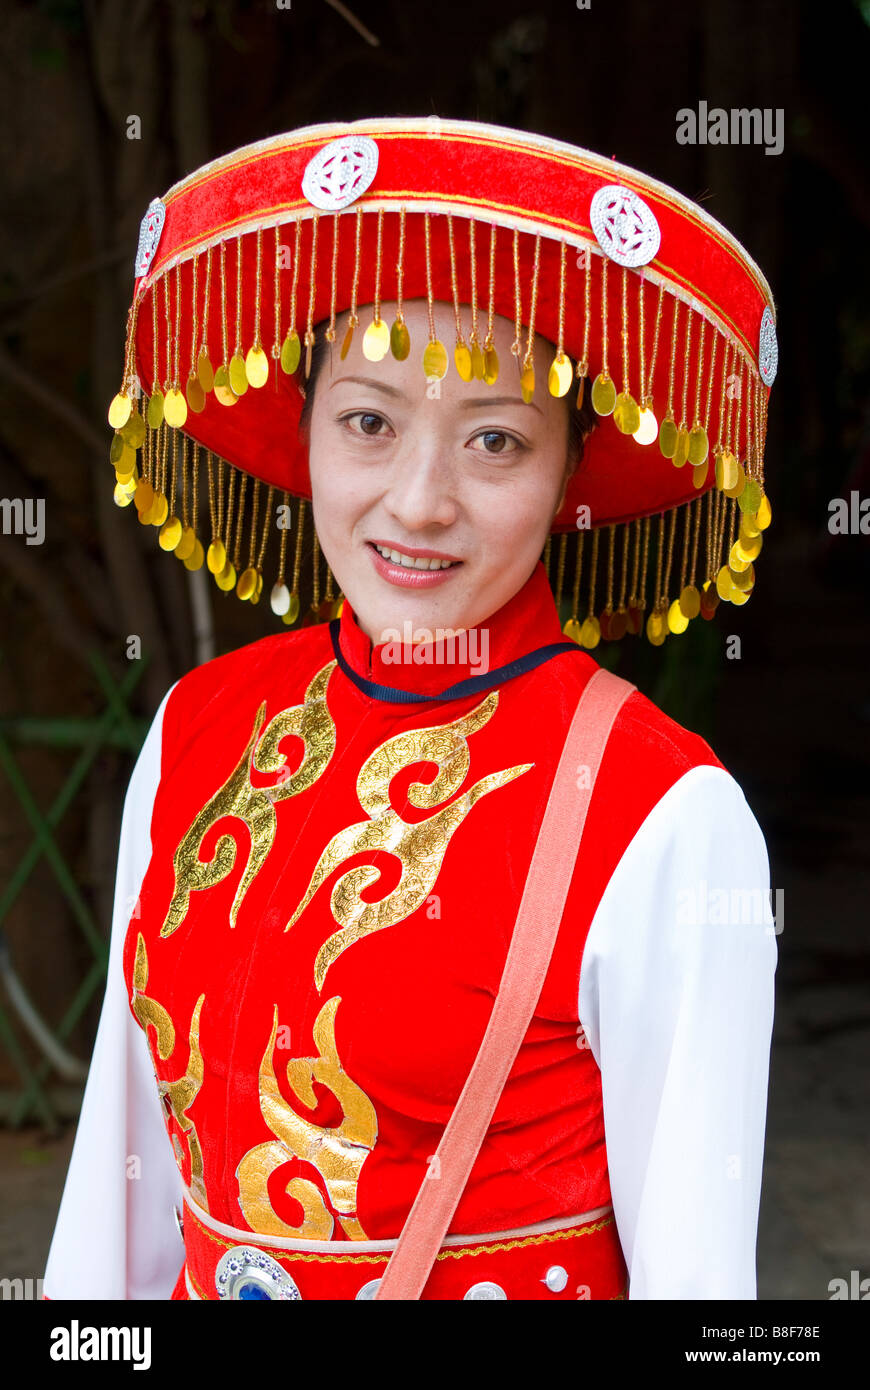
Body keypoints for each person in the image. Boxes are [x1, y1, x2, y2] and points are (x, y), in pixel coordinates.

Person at [44, 116, 778, 1300]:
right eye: (370, 421)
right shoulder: (199, 728)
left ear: (568, 473)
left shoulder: (665, 811)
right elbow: (117, 1193)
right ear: (306, 430)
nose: (419, 502)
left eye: (495, 440)